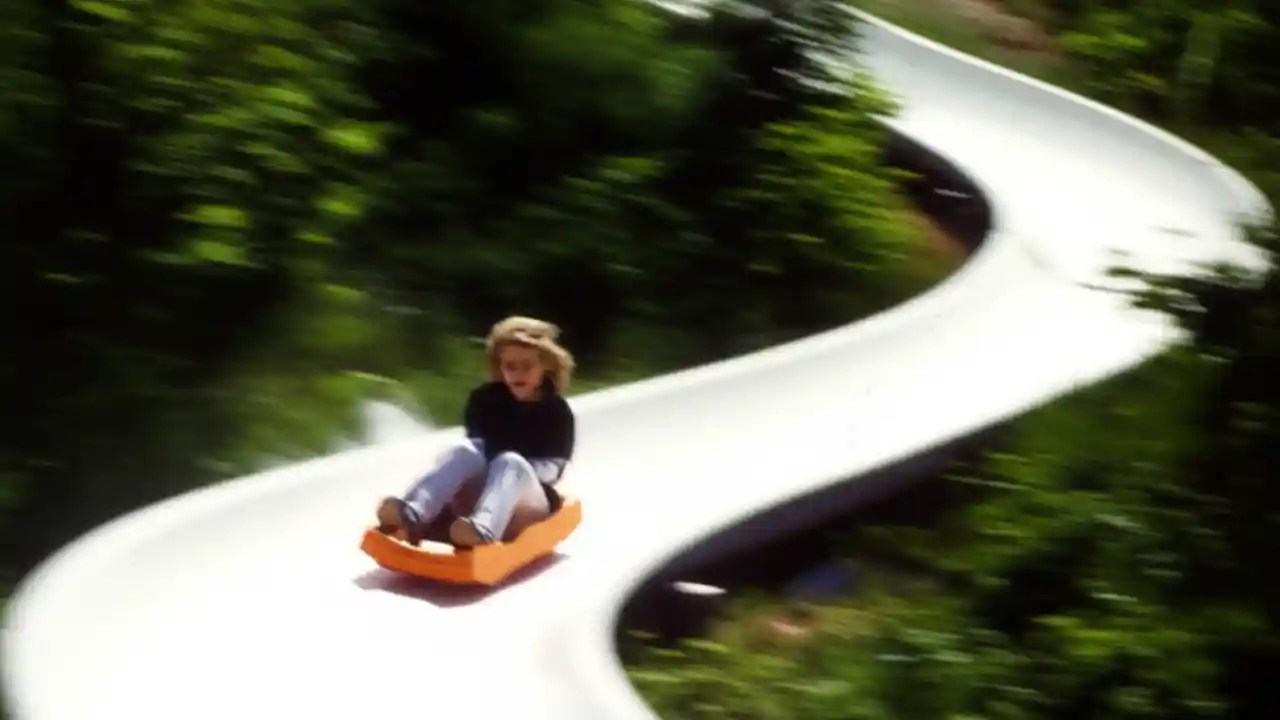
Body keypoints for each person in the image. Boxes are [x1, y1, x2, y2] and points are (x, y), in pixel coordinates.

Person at [376, 315, 577, 547]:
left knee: (510, 462)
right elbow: (474, 451)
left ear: (546, 366)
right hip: (477, 500)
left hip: (525, 507)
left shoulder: (556, 411)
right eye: (510, 366)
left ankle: (483, 532)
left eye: (527, 366)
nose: (518, 373)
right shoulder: (484, 400)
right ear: (499, 366)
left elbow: (552, 470)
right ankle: (414, 513)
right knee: (465, 450)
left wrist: (505, 467)